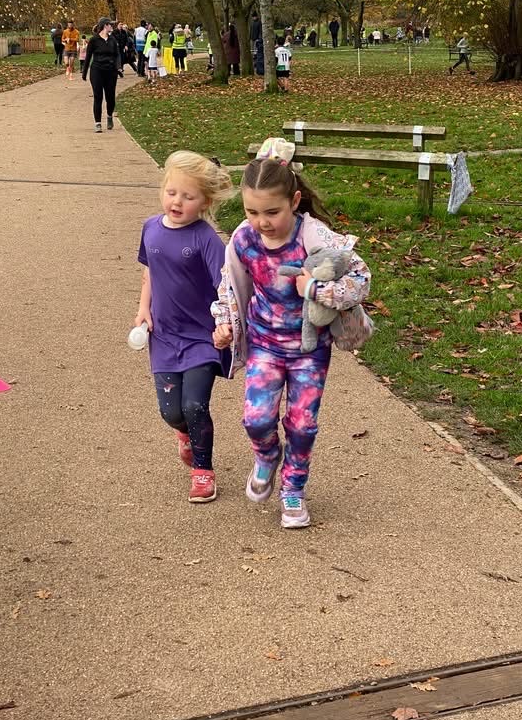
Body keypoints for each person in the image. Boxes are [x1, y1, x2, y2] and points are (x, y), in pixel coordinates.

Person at [211, 138, 372, 529]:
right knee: (256, 419)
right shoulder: (243, 240)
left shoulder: (314, 237)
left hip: (309, 348)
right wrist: (225, 320)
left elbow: (362, 279)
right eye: (252, 211)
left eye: (272, 211)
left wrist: (317, 290)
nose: (262, 222)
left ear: (295, 201)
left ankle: (293, 489)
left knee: (302, 424)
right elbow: (228, 286)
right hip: (265, 343)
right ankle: (267, 455)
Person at [135, 151, 234, 504]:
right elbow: (149, 272)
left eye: (188, 196)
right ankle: (185, 436)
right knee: (171, 412)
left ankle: (203, 471)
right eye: (172, 192)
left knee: (194, 406)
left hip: (201, 339)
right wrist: (143, 308)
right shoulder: (150, 228)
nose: (177, 201)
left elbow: (226, 286)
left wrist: (225, 326)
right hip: (164, 336)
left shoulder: (206, 239)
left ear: (204, 201)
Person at [82, 17, 121, 133]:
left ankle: (109, 116)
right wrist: (84, 73)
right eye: (110, 25)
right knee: (98, 96)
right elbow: (88, 57)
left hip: (110, 71)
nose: (112, 27)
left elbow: (117, 55)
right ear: (105, 25)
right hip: (97, 71)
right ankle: (98, 123)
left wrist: (118, 67)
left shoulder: (112, 40)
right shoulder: (94, 40)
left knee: (110, 97)